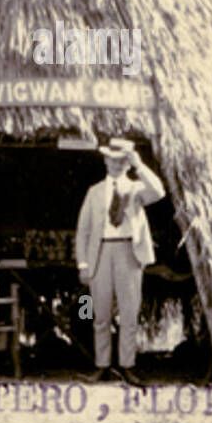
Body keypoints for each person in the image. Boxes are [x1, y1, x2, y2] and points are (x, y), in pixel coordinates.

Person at [74, 137, 165, 385]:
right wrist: (83, 264)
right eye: (112, 160)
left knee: (129, 313)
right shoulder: (94, 192)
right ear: (105, 160)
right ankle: (102, 366)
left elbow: (159, 191)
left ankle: (127, 366)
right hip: (100, 254)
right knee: (100, 314)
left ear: (127, 162)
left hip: (128, 252)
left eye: (121, 160)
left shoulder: (136, 188)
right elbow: (83, 231)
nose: (116, 164)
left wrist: (139, 164)